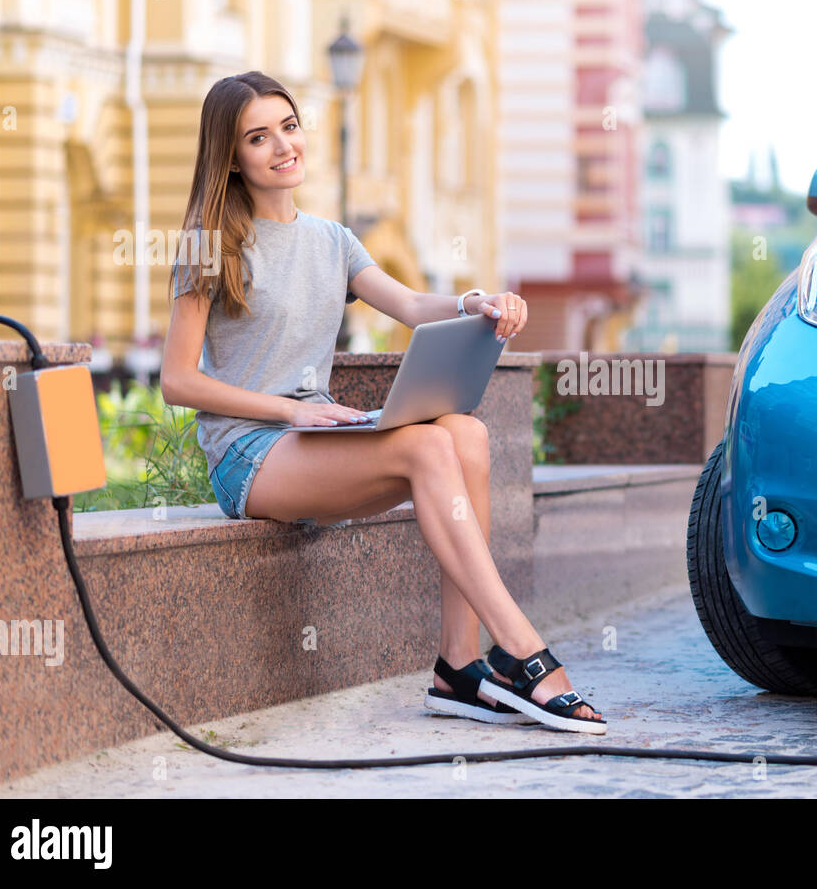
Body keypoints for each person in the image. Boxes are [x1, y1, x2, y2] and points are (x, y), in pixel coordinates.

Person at [159, 71, 604, 735]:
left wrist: (472, 302)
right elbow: (176, 381)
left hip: (315, 439)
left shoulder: (333, 240)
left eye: (288, 125)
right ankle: (523, 647)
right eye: (258, 136)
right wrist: (289, 410)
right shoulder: (210, 243)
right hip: (249, 452)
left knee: (466, 435)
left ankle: (457, 664)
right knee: (427, 444)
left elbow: (410, 304)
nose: (283, 145)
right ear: (231, 155)